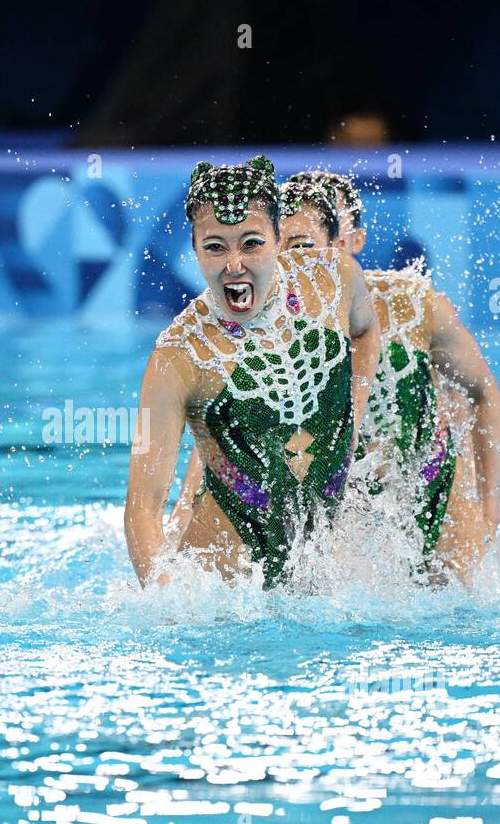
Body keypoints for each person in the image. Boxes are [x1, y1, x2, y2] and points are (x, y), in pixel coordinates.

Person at [125, 156, 381, 588]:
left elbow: (366, 331)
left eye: (250, 243)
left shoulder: (334, 278)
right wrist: (168, 601)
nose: (233, 264)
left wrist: (353, 414)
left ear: (279, 239)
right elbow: (142, 509)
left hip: (318, 567)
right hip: (227, 592)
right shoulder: (176, 358)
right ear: (194, 250)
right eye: (215, 247)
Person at [283, 170, 500, 578]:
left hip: (430, 485)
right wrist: (187, 506)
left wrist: (489, 508)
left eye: (333, 230)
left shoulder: (412, 306)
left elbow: (481, 392)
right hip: (347, 495)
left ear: (349, 241)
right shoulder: (271, 323)